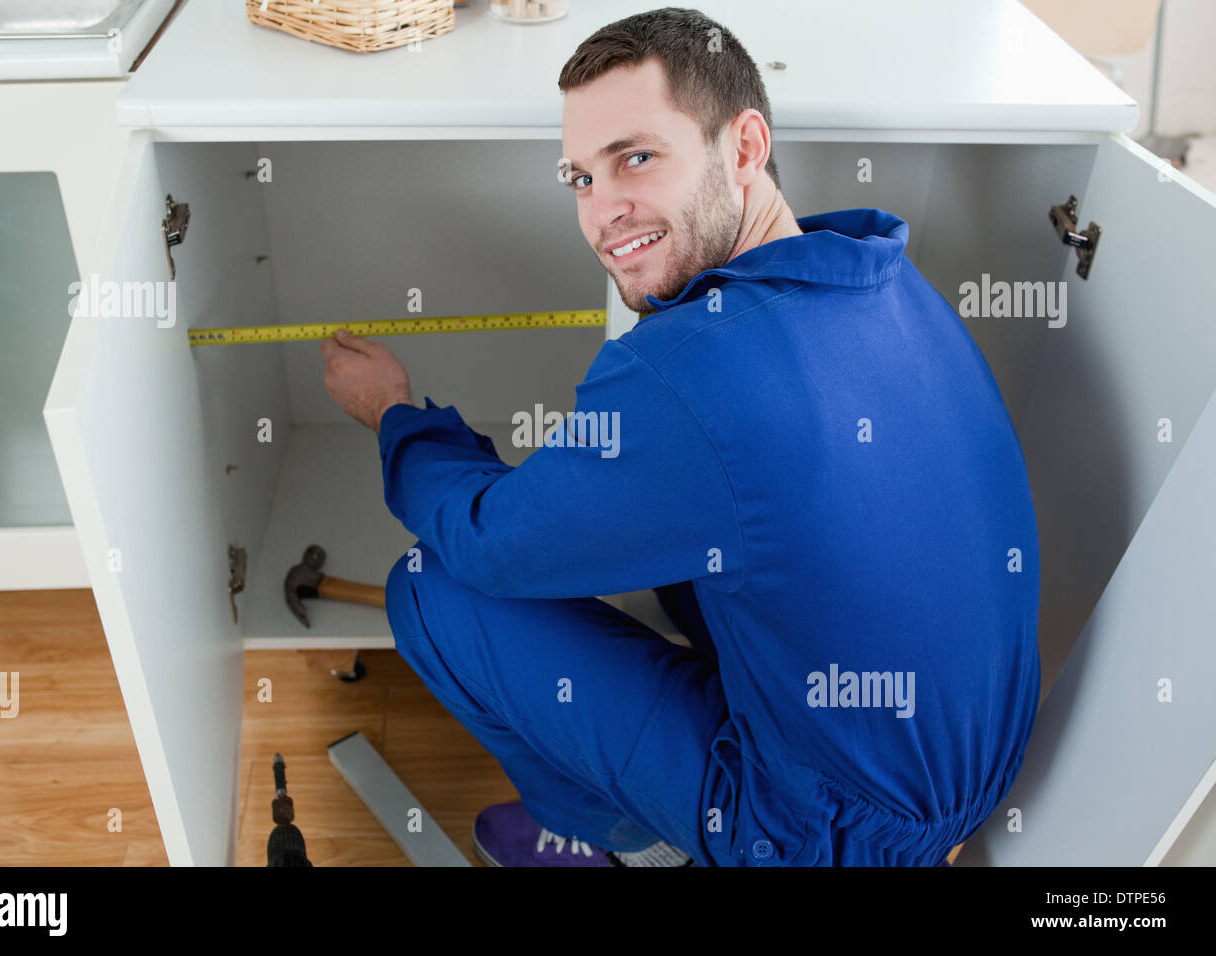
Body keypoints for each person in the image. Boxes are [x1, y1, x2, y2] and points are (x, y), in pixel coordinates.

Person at [319, 7, 1040, 867]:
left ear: (743, 147)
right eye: (580, 178)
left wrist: (398, 417)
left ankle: (618, 841)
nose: (602, 213)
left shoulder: (696, 368)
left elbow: (490, 542)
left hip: (822, 835)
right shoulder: (878, 267)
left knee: (430, 587)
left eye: (637, 157)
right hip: (977, 769)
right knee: (683, 549)